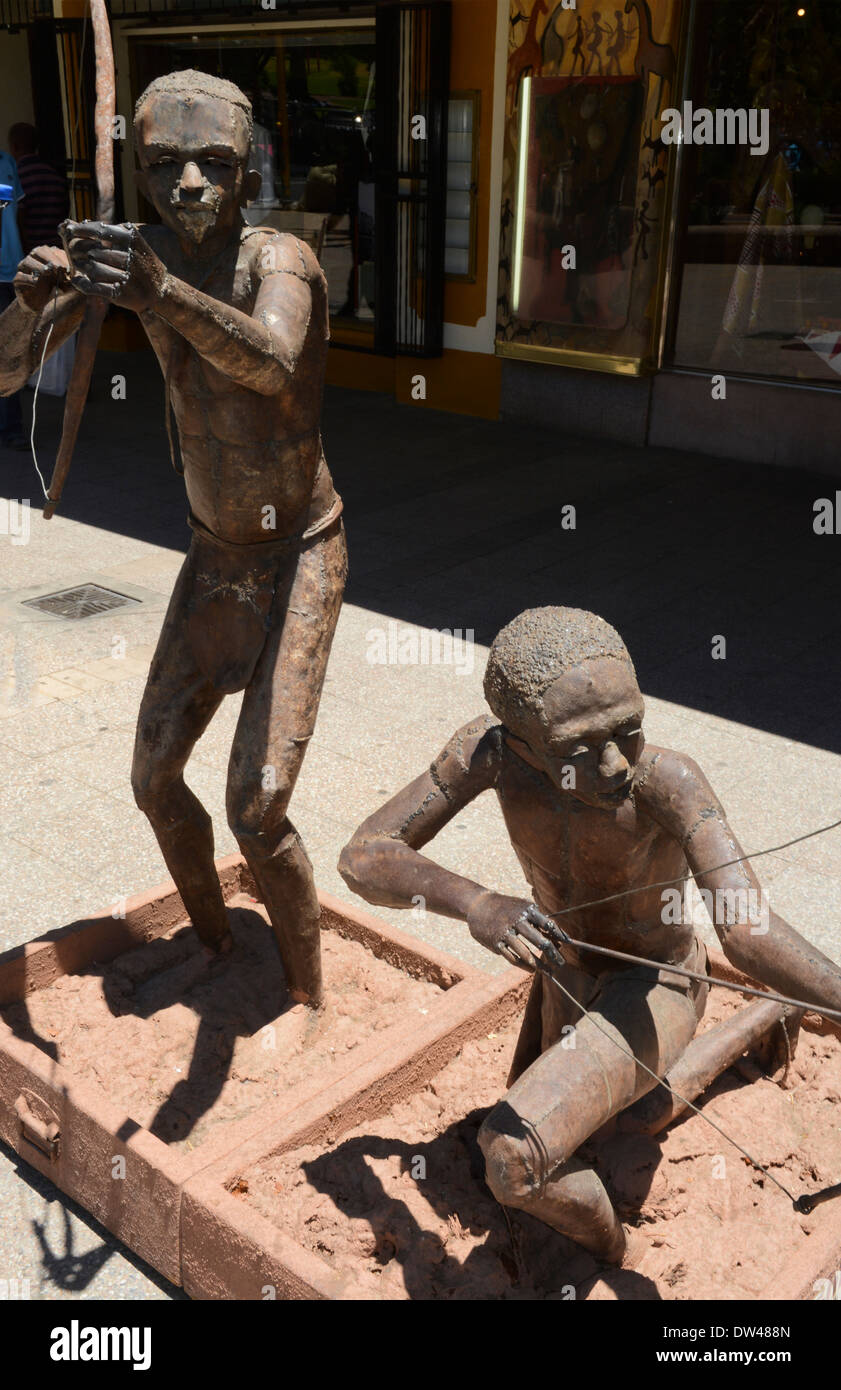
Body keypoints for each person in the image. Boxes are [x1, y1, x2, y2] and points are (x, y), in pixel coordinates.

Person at [339, 606, 841, 1265]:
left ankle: (611, 1254)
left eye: (627, 729)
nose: (611, 763)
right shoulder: (489, 755)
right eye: (576, 749)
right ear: (518, 740)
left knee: (514, 1156)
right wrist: (475, 902)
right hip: (566, 972)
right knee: (618, 1119)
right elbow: (363, 856)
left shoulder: (670, 780)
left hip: (655, 980)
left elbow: (746, 930)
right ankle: (768, 1012)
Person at [0, 70, 346, 1017]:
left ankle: (308, 999)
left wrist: (159, 294)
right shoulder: (130, 254)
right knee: (154, 778)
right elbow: (3, 376)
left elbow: (271, 363)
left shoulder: (281, 260)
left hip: (298, 551)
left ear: (248, 171)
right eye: (163, 164)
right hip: (215, 553)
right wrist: (31, 305)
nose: (188, 183)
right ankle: (217, 942)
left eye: (213, 163)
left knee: (258, 808)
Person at [8, 123, 69, 256]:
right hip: (57, 252)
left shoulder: (14, 178)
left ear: (15, 147)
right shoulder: (54, 175)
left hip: (31, 254)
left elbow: (16, 220)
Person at [0, 143, 26, 448]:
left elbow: (18, 214)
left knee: (9, 350)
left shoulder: (7, 161)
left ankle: (12, 427)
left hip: (9, 272)